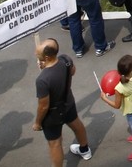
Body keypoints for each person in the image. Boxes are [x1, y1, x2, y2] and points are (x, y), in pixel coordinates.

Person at [34, 36, 92, 166]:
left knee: (55, 143)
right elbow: (72, 71)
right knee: (76, 124)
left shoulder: (42, 80)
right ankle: (85, 150)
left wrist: (37, 123)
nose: (36, 54)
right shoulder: (66, 60)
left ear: (47, 58)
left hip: (52, 114)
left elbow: (43, 106)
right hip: (68, 102)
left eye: (38, 54)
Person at [99, 54, 132, 160]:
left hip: (130, 109)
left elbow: (117, 105)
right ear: (131, 68)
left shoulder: (119, 88)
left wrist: (105, 99)